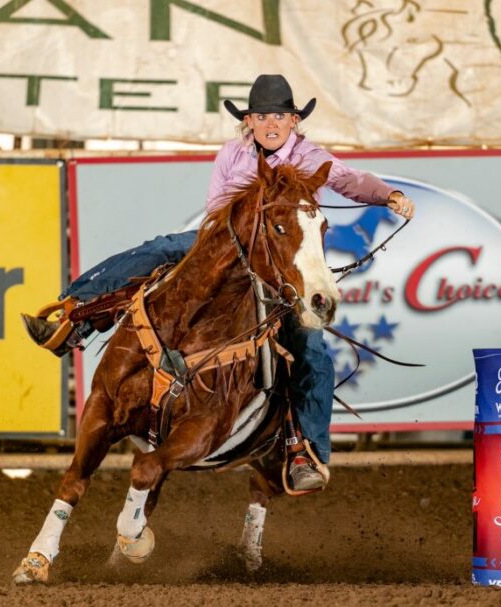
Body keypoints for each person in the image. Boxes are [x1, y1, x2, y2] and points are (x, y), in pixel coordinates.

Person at [22, 74, 415, 490]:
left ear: (294, 121)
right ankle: (75, 315)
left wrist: (387, 195)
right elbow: (216, 210)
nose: (271, 123)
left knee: (313, 351)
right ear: (249, 121)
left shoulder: (310, 157)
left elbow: (349, 180)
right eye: (261, 116)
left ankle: (306, 450)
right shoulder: (232, 154)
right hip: (223, 245)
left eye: (279, 116)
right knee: (159, 249)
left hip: (276, 263)